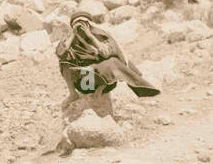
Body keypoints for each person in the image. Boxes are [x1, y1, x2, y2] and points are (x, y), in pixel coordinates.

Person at [54, 10, 160, 139]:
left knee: (112, 62)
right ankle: (73, 93)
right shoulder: (71, 42)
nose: (81, 27)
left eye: (84, 23)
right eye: (77, 24)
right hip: (83, 81)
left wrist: (90, 36)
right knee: (64, 62)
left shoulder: (100, 36)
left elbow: (106, 53)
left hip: (102, 78)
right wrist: (73, 35)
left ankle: (129, 86)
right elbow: (60, 53)